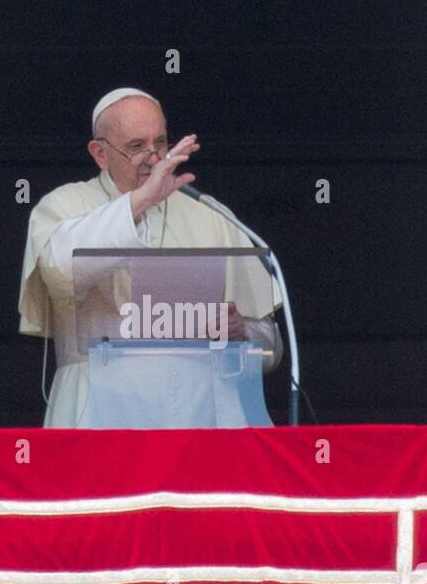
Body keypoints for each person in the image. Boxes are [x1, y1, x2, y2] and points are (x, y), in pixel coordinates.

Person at [18, 87, 282, 426]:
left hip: (201, 416)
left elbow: (271, 345)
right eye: (136, 147)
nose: (155, 157)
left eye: (160, 143)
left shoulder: (211, 214)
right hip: (101, 416)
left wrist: (241, 333)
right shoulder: (63, 206)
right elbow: (61, 271)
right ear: (100, 153)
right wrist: (139, 202)